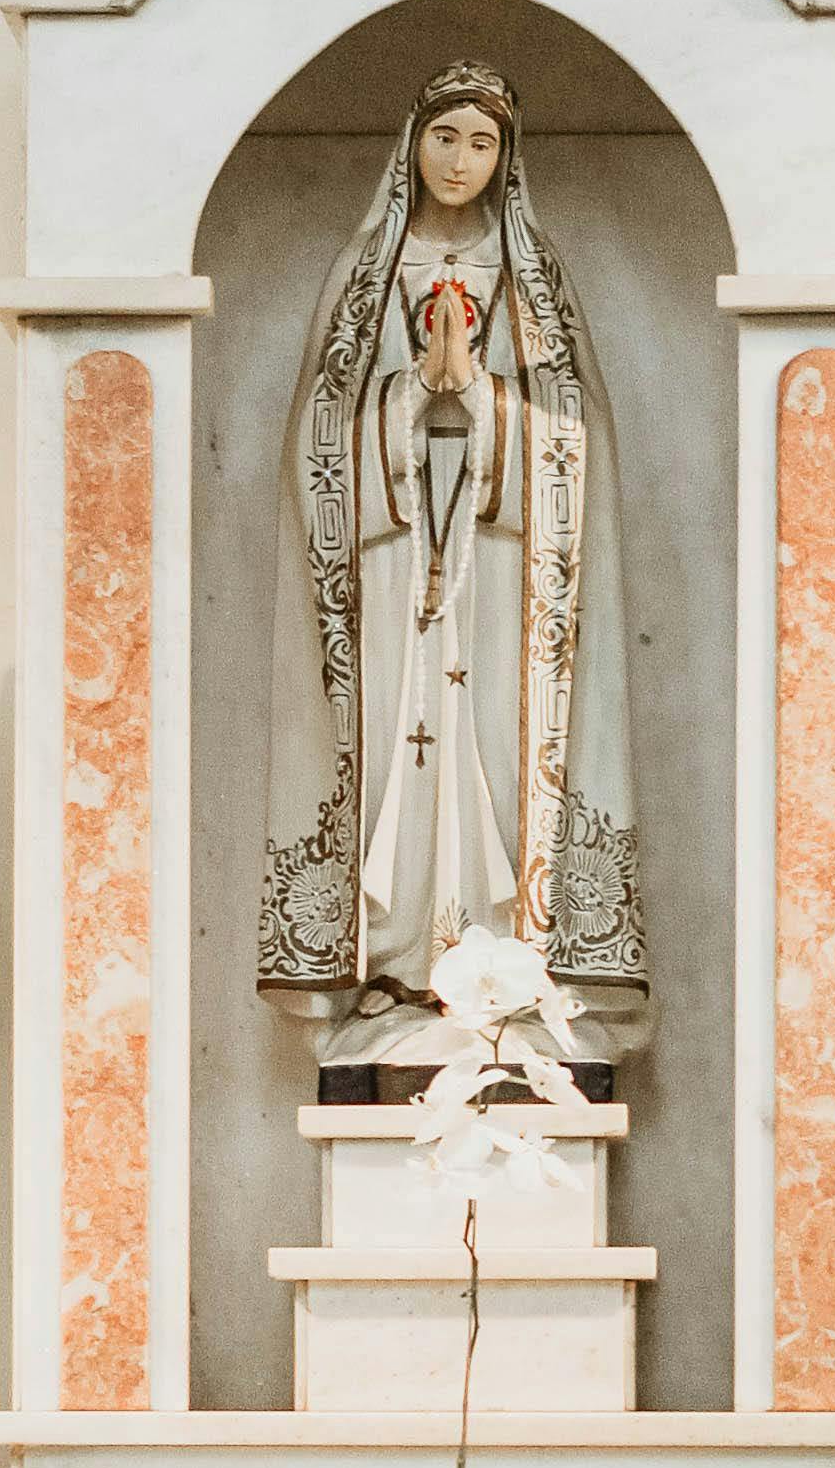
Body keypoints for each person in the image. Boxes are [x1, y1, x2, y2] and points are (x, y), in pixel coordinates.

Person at [259, 57, 648, 1085]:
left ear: (505, 157)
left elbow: (577, 443)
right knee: (399, 747)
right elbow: (314, 439)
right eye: (445, 137)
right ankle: (394, 971)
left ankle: (509, 968)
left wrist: (479, 399)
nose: (461, 160)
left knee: (500, 749)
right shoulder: (365, 276)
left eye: (481, 142)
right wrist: (402, 402)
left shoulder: (530, 276)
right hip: (394, 571)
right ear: (411, 144)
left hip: (505, 573)